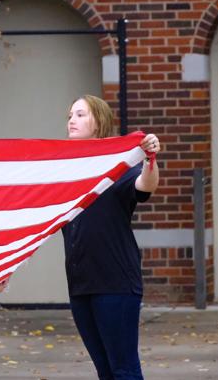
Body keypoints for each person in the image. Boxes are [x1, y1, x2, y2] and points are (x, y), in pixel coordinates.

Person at [62, 94, 160, 379]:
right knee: (105, 371)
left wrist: (150, 160)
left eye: (80, 114)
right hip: (81, 286)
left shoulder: (119, 164)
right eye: (70, 115)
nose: (72, 121)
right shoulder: (66, 173)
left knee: (124, 370)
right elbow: (38, 224)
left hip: (115, 283)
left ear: (99, 121)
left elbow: (145, 186)